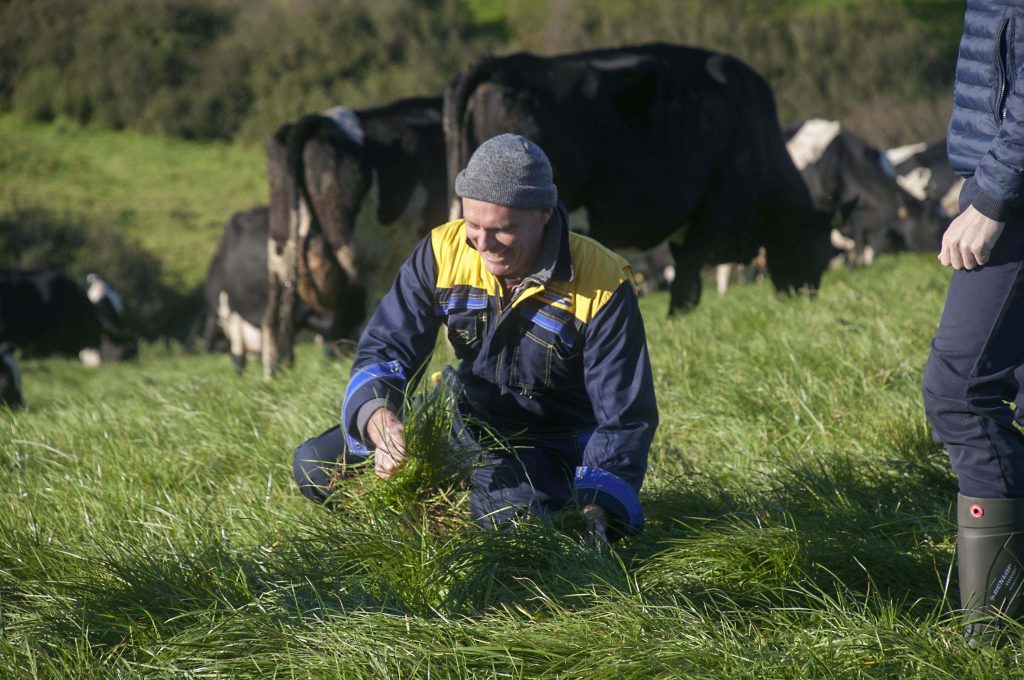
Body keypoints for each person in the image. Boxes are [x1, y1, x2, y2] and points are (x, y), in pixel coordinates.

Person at [293, 133, 658, 543]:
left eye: (501, 230)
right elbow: (386, 346)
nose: (483, 245)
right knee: (315, 465)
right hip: (460, 416)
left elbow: (625, 417)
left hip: (547, 443)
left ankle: (506, 515)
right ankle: (416, 526)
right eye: (473, 225)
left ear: (544, 212)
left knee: (503, 534)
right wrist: (382, 422)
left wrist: (598, 508)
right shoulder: (441, 249)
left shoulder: (603, 282)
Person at [922, 1, 1024, 646]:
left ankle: (992, 635)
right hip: (1002, 175)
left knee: (959, 393)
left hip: (1012, 191)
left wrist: (992, 194)